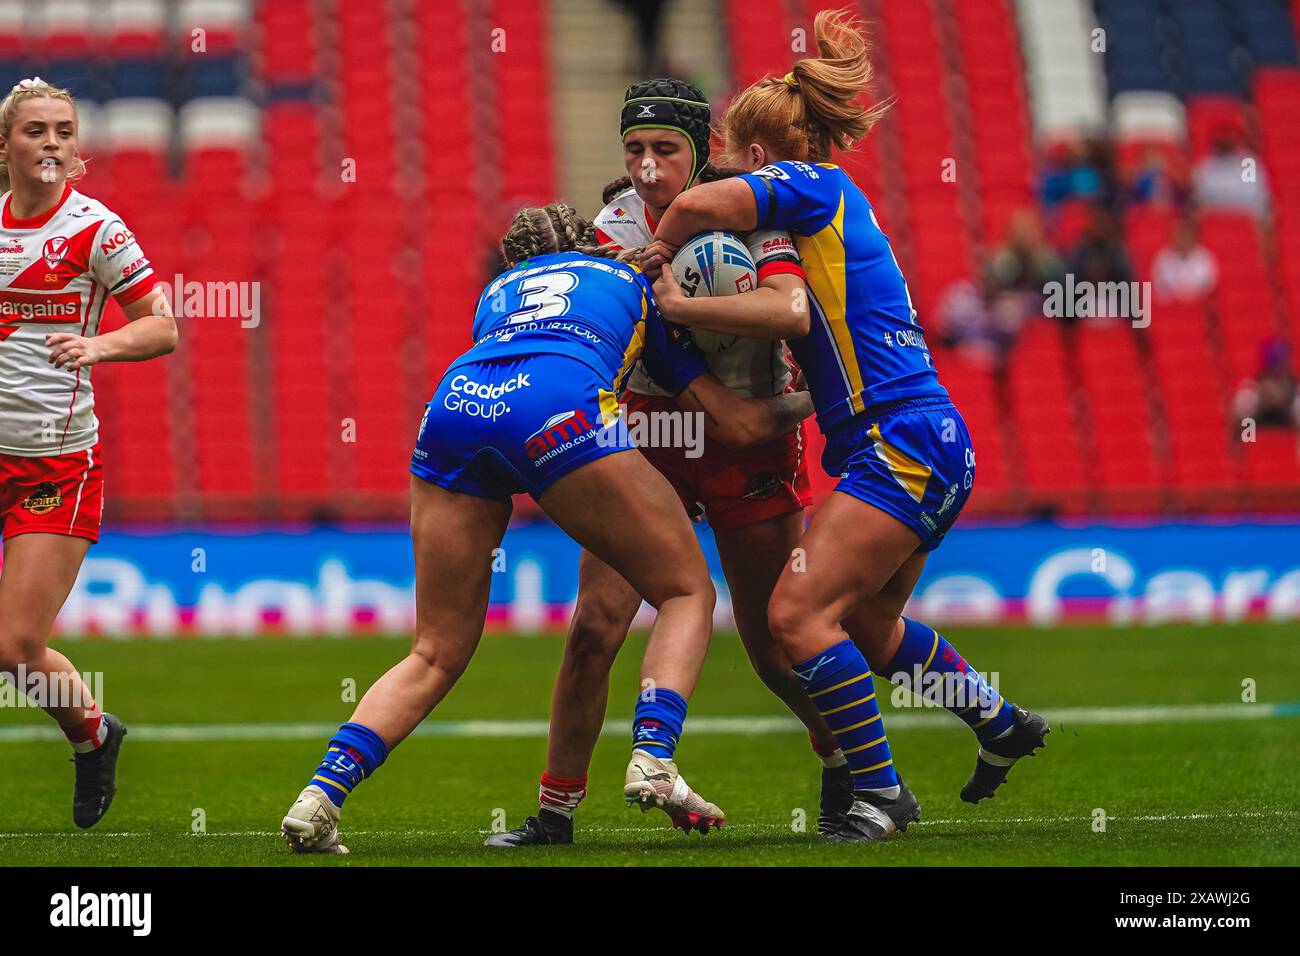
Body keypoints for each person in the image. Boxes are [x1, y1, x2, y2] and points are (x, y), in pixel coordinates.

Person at [279, 203, 816, 854]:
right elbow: (739, 424)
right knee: (686, 592)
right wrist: (820, 393)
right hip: (556, 407)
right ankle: (652, 756)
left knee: (434, 652)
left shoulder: (497, 292)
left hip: (453, 408)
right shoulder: (634, 285)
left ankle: (320, 797)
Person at [639, 9, 1049, 843]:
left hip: (898, 440)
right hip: (924, 439)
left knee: (794, 619)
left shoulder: (813, 186)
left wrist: (662, 257)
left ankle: (883, 796)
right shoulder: (840, 209)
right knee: (864, 622)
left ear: (759, 158)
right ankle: (999, 722)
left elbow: (697, 207)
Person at [488, 79, 855, 849]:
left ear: (699, 153)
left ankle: (852, 769)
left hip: (749, 437)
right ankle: (555, 813)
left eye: (665, 149)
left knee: (773, 645)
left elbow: (791, 310)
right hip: (650, 433)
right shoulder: (609, 229)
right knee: (594, 624)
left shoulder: (748, 211)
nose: (648, 166)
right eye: (635, 150)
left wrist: (678, 308)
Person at [0, 78, 177, 827]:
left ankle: (93, 734)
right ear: (6, 146)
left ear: (78, 151)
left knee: (13, 650)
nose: (51, 143)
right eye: (36, 130)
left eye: (64, 132)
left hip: (55, 464)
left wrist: (99, 344)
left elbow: (162, 326)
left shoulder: (96, 231)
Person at [1151, 217, 1218, 306]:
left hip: (1198, 307)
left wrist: (1189, 298)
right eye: (1180, 234)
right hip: (1170, 309)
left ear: (1195, 237)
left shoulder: (1205, 258)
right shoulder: (1162, 257)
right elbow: (1159, 287)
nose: (1183, 238)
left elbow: (1208, 287)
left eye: (1187, 234)